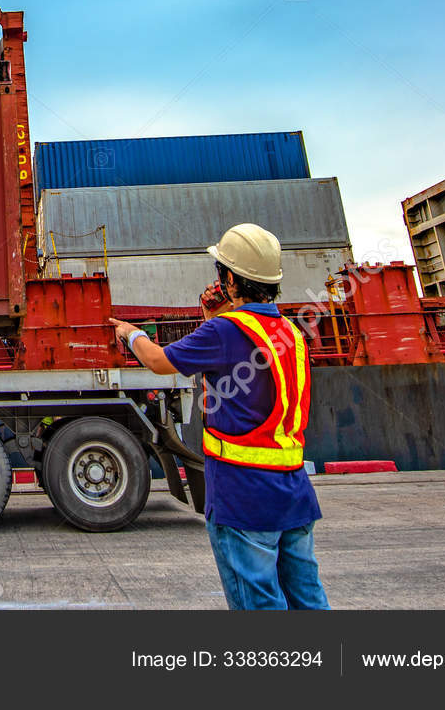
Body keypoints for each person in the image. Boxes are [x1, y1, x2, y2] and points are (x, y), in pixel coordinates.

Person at [111, 223, 330, 611]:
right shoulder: (291, 333)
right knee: (307, 599)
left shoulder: (225, 332)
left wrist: (131, 334)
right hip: (295, 494)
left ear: (229, 279)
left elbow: (159, 361)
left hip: (245, 496)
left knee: (258, 603)